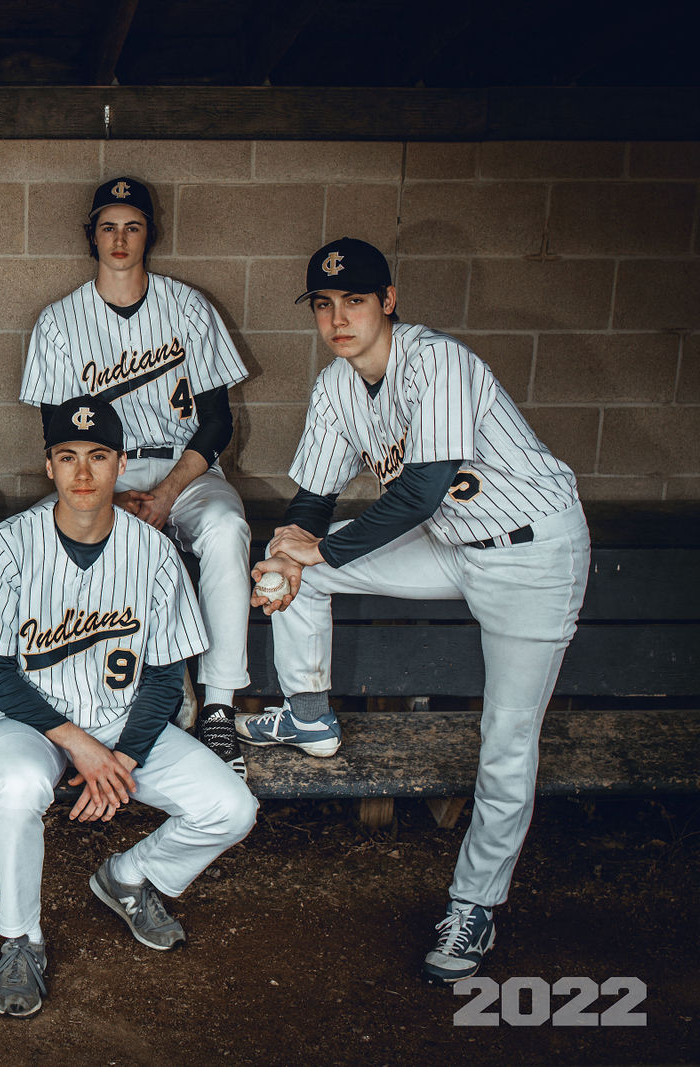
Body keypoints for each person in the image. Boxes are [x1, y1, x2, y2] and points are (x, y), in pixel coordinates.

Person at [240, 237, 591, 985]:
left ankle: (475, 905)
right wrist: (287, 555)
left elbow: (422, 489)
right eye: (324, 305)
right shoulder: (337, 385)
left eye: (356, 301)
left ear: (388, 301)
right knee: (299, 556)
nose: (339, 318)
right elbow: (312, 501)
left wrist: (318, 552)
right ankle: (308, 713)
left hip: (531, 551)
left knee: (505, 741)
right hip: (451, 544)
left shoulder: (438, 362)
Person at [0, 396, 258, 1018]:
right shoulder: (7, 546)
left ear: (122, 464)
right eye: (68, 456)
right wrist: (81, 746)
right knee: (16, 791)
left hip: (123, 719)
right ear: (48, 465)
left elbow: (164, 676)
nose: (82, 472)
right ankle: (20, 940)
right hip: (30, 720)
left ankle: (127, 875)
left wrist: (121, 758)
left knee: (232, 808)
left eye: (98, 456)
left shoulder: (154, 552)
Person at [20, 177, 253, 777]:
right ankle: (93, 700)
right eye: (108, 227)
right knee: (62, 541)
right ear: (91, 236)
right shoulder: (59, 321)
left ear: (150, 234)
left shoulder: (189, 307)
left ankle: (219, 707)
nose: (119, 239)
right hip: (99, 471)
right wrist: (104, 496)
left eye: (132, 226)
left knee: (226, 528)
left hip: (185, 467)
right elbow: (57, 435)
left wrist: (167, 493)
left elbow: (218, 422)